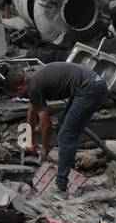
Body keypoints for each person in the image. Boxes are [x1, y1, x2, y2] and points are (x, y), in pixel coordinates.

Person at [7, 62, 109, 193]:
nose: (18, 97)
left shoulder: (33, 87)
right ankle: (69, 166)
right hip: (91, 84)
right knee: (63, 123)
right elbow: (31, 113)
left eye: (17, 95)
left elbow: (46, 124)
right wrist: (29, 142)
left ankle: (60, 185)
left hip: (90, 88)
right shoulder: (33, 81)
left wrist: (44, 149)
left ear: (20, 88)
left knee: (65, 136)